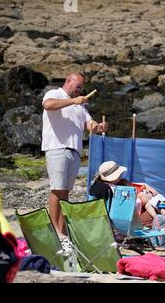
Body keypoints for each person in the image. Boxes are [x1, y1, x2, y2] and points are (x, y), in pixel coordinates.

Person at [42, 73, 108, 238]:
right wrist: (73, 101)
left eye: (81, 87)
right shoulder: (54, 94)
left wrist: (99, 127)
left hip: (75, 150)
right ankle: (55, 232)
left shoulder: (80, 105)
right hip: (57, 147)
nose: (80, 90)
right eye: (78, 86)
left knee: (65, 193)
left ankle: (62, 231)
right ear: (68, 81)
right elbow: (48, 105)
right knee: (57, 190)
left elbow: (89, 125)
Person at [89, 161, 165, 220]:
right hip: (123, 217)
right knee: (159, 206)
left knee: (157, 204)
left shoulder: (101, 186)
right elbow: (125, 206)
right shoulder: (114, 190)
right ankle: (164, 222)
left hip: (112, 216)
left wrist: (144, 185)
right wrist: (142, 199)